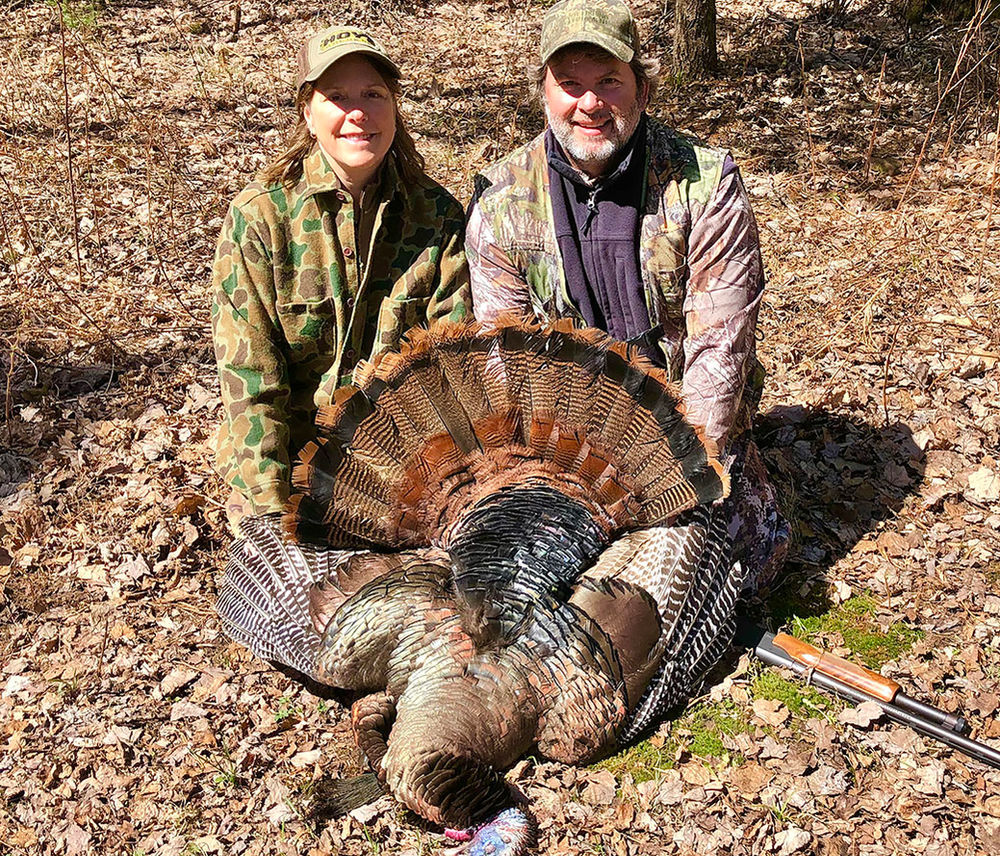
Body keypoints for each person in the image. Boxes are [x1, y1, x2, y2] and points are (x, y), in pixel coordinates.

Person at [466, 0, 787, 593]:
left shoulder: (703, 181)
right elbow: (503, 362)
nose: (590, 103)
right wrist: (559, 476)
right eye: (570, 84)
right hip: (567, 444)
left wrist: (682, 477)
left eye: (609, 81)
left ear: (641, 85)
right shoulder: (501, 199)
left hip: (685, 433)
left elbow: (719, 350)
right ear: (543, 90)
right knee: (525, 590)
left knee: (736, 578)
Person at [212, 25, 471, 527]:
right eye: (337, 97)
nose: (358, 113)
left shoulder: (437, 216)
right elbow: (252, 388)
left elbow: (451, 373)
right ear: (308, 113)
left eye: (373, 94)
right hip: (290, 464)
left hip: (404, 471)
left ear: (394, 106)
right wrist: (271, 518)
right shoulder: (260, 218)